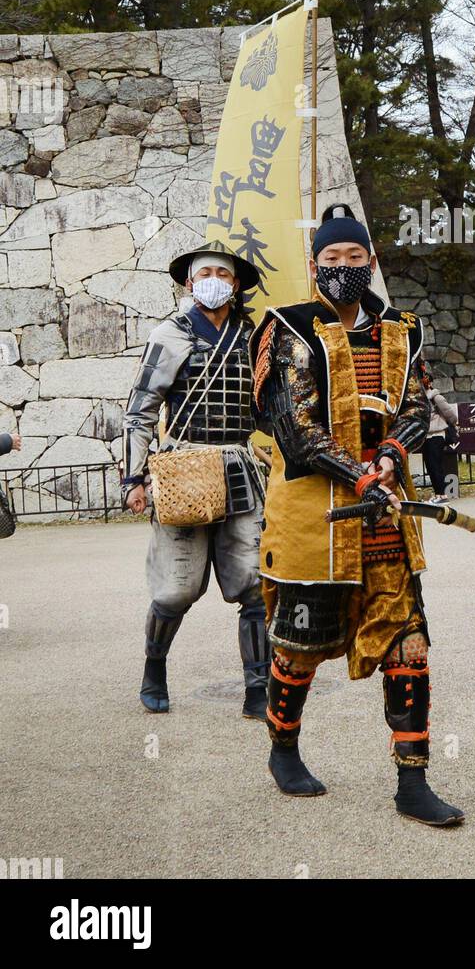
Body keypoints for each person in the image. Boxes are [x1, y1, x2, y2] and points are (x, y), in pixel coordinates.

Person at [250, 203, 465, 827]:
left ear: (370, 261)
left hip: (387, 515)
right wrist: (360, 474)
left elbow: (420, 405)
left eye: (354, 257)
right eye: (330, 259)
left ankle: (413, 781)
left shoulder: (403, 329)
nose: (342, 268)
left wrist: (394, 454)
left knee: (410, 640)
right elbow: (294, 428)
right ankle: (284, 750)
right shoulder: (285, 328)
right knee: (299, 643)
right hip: (315, 515)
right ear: (314, 265)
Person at [121, 240, 269, 720]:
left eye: (224, 275)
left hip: (239, 467)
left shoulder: (256, 336)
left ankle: (257, 687)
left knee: (254, 584)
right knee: (176, 590)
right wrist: (133, 477)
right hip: (183, 466)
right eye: (205, 272)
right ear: (189, 282)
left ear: (237, 284)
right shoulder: (170, 334)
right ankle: (154, 668)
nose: (214, 281)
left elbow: (272, 406)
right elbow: (139, 412)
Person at [419, 362, 458, 504]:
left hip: (436, 435)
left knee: (435, 465)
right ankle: (438, 494)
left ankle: (442, 495)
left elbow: (451, 415)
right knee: (431, 466)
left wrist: (449, 424)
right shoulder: (420, 400)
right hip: (427, 436)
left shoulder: (436, 397)